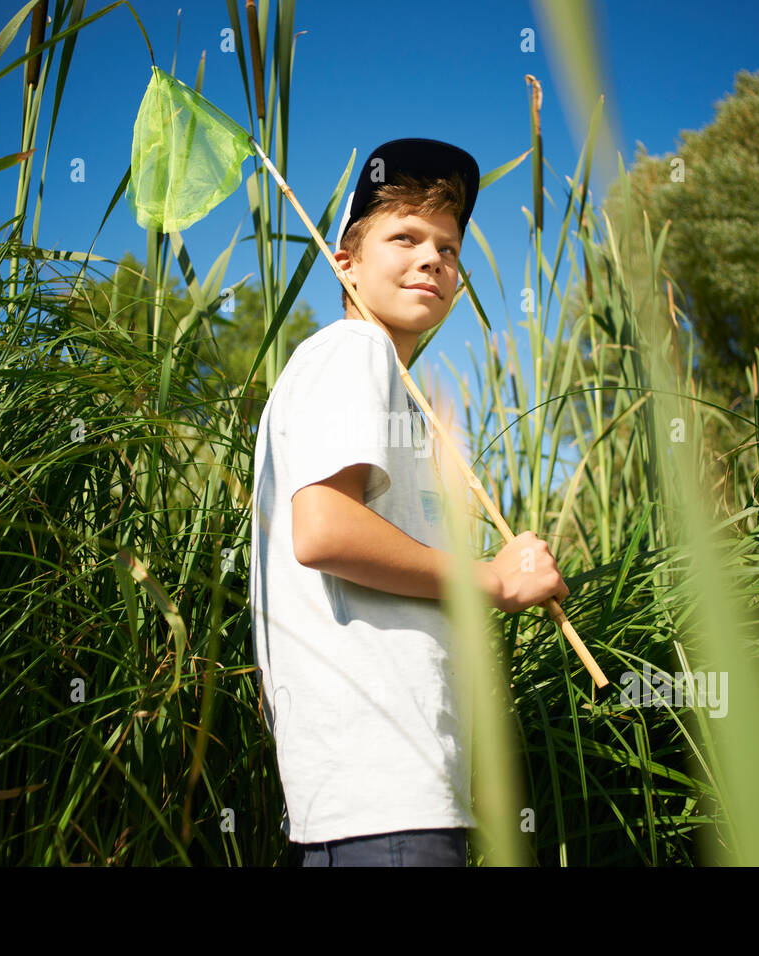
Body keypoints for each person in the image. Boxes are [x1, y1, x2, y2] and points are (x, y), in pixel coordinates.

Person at [249, 138, 570, 867]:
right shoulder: (353, 351)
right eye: (404, 236)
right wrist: (492, 578)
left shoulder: (376, 383)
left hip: (369, 806)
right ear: (346, 262)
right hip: (387, 806)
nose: (432, 258)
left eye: (448, 249)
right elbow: (325, 531)